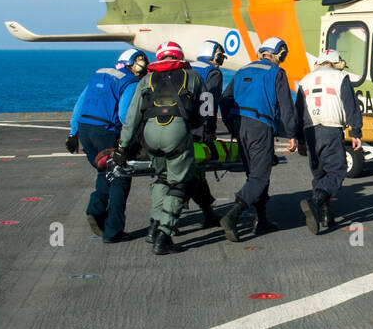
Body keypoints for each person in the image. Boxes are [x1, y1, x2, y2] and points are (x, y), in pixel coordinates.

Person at [114, 41, 204, 255]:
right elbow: (206, 109)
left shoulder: (146, 79)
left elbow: (132, 117)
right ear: (179, 56)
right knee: (179, 183)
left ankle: (153, 226)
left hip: (150, 135)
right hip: (177, 132)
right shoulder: (193, 77)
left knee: (161, 178)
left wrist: (122, 147)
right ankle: (164, 235)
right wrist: (197, 130)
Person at [219, 36, 297, 241]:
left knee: (254, 175)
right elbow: (287, 107)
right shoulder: (276, 73)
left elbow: (225, 100)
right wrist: (292, 134)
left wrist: (231, 126)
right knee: (260, 176)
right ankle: (232, 215)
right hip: (260, 126)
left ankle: (261, 221)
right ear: (279, 53)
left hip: (240, 124)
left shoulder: (242, 70)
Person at [66, 47, 147, 242]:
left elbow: (80, 104)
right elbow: (124, 114)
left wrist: (72, 133)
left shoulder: (100, 75)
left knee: (104, 172)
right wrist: (134, 138)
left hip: (85, 131)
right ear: (134, 63)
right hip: (106, 133)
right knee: (120, 178)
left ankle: (95, 210)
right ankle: (113, 230)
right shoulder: (130, 81)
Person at [293, 49, 364, 234]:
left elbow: (298, 110)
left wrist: (299, 138)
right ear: (336, 62)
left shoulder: (305, 79)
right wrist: (356, 132)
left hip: (309, 130)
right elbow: (351, 106)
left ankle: (325, 217)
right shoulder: (340, 77)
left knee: (320, 174)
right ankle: (314, 201)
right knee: (337, 170)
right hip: (331, 128)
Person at [181, 38, 227, 228]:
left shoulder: (187, 68)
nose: (222, 59)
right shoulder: (212, 72)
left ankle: (208, 213)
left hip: (180, 126)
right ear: (214, 54)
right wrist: (209, 129)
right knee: (194, 172)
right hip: (198, 129)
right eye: (220, 56)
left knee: (193, 171)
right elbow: (210, 101)